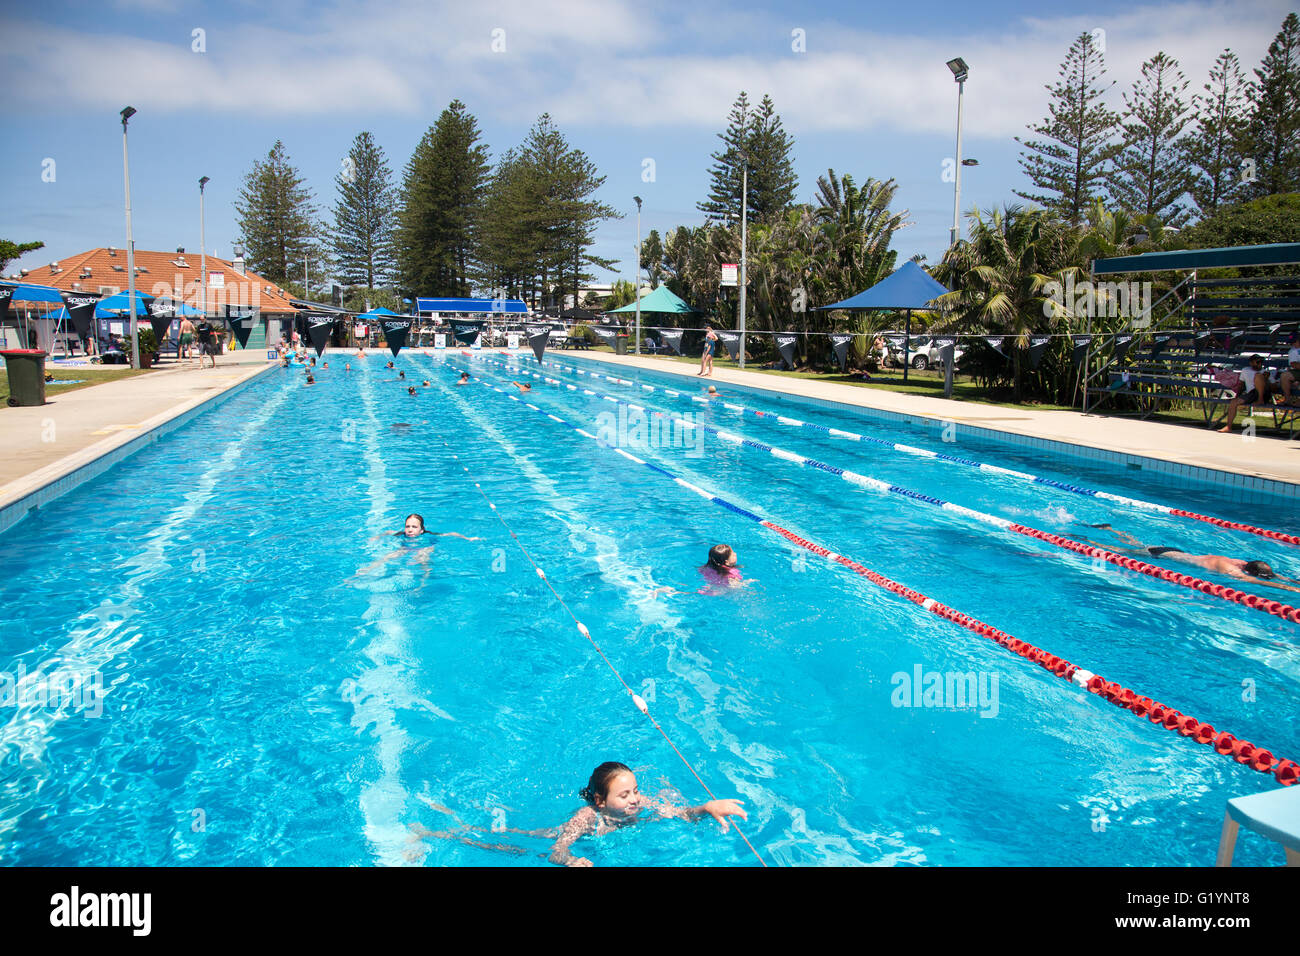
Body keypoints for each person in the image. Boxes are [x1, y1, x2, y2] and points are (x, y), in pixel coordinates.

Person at [548, 762, 748, 867]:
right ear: (600, 801)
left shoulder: (642, 803)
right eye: (624, 795)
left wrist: (706, 808)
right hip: (566, 836)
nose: (634, 799)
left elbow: (682, 814)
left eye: (635, 790)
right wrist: (571, 860)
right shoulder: (586, 818)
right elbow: (556, 850)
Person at [1082, 524, 1300, 593]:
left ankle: (1111, 528)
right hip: (1166, 555)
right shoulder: (1229, 569)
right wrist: (1292, 589)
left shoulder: (1239, 562)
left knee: (1133, 544)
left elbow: (1263, 573)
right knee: (1120, 551)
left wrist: (1289, 580)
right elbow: (1256, 581)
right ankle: (1086, 540)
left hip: (1174, 550)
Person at [1218, 354, 1274, 432]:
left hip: (1264, 393)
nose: (1259, 364)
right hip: (1251, 393)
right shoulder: (1246, 370)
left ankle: (1260, 399)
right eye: (1257, 362)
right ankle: (1228, 426)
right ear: (1251, 363)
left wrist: (1266, 379)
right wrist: (1237, 396)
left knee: (1258, 376)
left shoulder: (1266, 372)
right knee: (1234, 402)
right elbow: (1241, 384)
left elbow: (1274, 387)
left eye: (1261, 362)